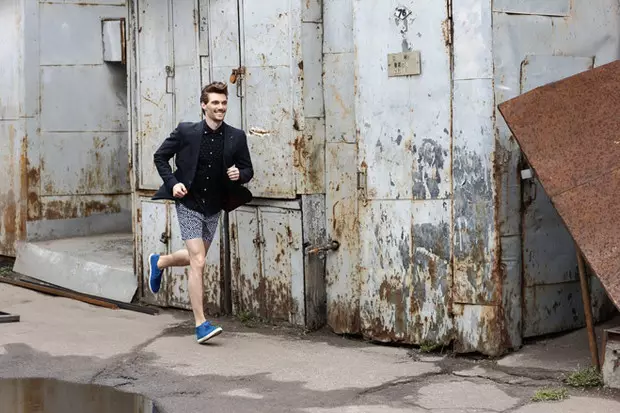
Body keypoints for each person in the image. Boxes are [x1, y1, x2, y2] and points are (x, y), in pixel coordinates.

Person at [148, 81, 253, 344]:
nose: (220, 107)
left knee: (199, 255)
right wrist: (173, 184)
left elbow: (248, 169)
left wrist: (240, 174)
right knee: (199, 261)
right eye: (215, 103)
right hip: (189, 202)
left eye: (224, 103)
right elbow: (160, 156)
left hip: (214, 205)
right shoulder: (186, 132)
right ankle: (200, 324)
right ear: (203, 105)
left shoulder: (236, 137)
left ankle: (159, 262)